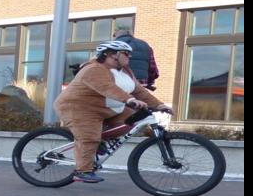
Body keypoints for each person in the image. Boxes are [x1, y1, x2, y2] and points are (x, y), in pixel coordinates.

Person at [53, 40, 168, 184]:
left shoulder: (126, 71)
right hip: (80, 108)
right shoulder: (94, 69)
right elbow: (107, 87)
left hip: (110, 108)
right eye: (126, 53)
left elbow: (139, 91)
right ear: (112, 54)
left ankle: (99, 142)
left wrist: (159, 105)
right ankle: (82, 171)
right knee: (89, 138)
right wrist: (129, 99)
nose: (129, 56)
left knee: (135, 118)